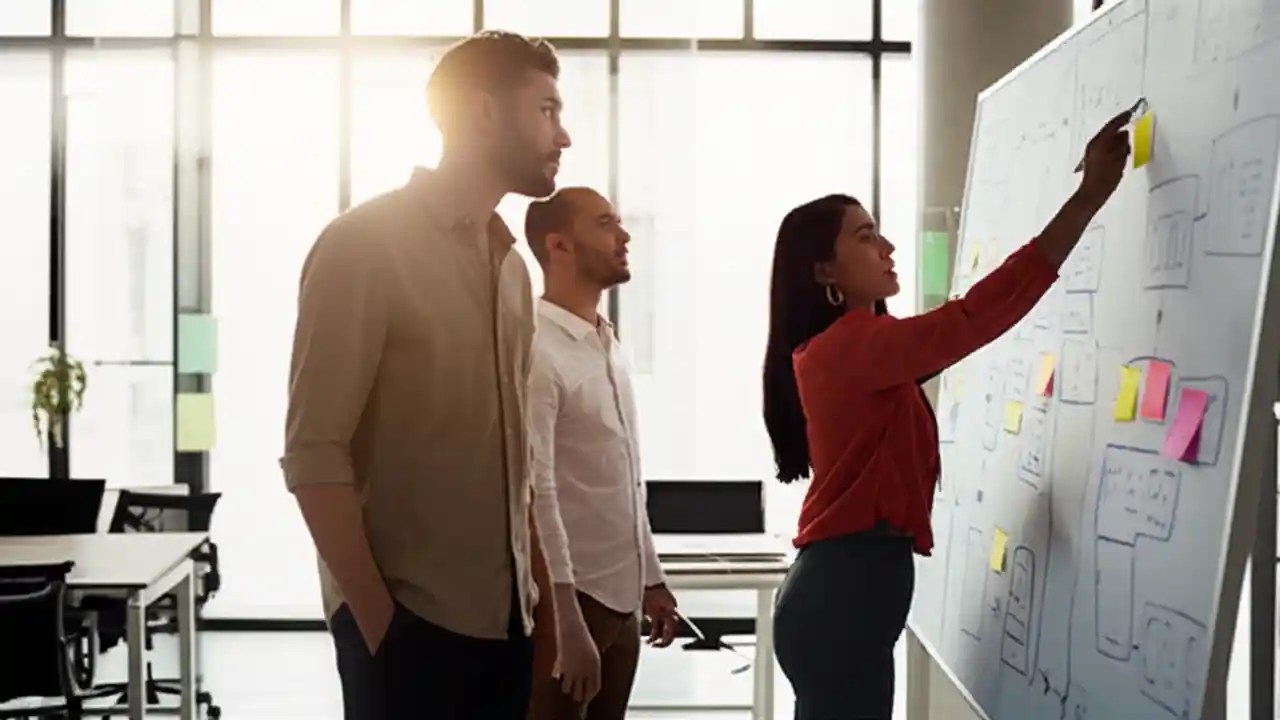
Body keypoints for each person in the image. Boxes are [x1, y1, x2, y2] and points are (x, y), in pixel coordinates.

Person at [761, 111, 1133, 719]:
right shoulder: (853, 347)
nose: (887, 247)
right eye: (864, 237)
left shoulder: (859, 353)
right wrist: (1087, 199)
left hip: (847, 594)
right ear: (824, 272)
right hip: (844, 596)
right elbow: (976, 317)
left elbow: (965, 327)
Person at [280, 30, 571, 719]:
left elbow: (516, 463)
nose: (564, 137)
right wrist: (380, 625)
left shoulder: (511, 267)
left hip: (504, 632)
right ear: (484, 113)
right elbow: (313, 453)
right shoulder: (362, 245)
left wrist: (540, 608)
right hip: (409, 634)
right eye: (548, 111)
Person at [523, 187, 680, 720]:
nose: (625, 234)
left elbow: (623, 477)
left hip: (621, 600)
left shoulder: (607, 342)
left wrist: (651, 577)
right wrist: (565, 619)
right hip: (572, 604)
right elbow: (537, 492)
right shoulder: (538, 350)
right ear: (560, 245)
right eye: (606, 223)